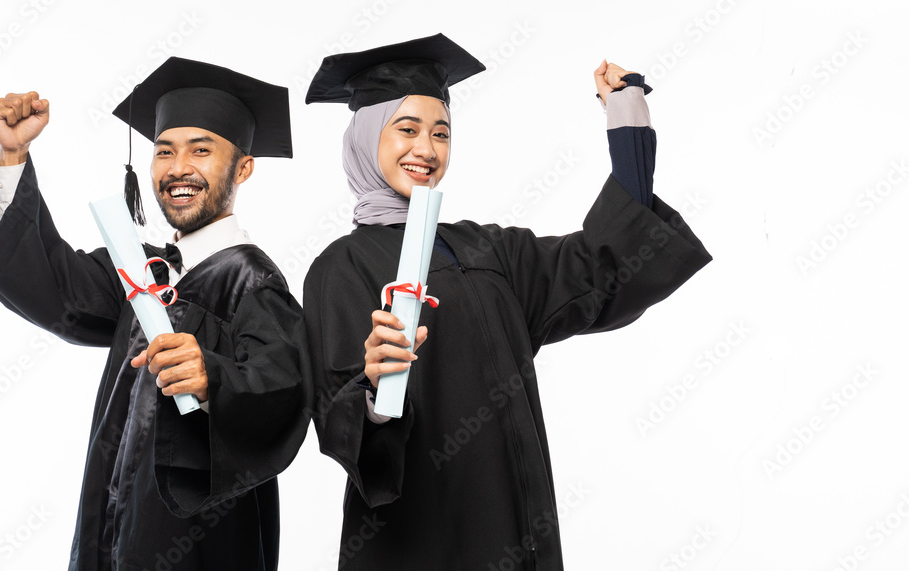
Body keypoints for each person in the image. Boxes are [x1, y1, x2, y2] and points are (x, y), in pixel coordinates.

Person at [302, 34, 712, 570]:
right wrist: (375, 392)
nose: (426, 149)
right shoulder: (340, 268)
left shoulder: (489, 248)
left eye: (441, 132)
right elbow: (336, 417)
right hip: (417, 543)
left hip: (520, 530)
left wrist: (627, 121)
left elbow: (603, 265)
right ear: (364, 137)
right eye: (406, 129)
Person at [0, 57, 311, 571]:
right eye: (164, 151)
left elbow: (286, 391)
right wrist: (13, 155)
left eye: (201, 150)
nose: (178, 168)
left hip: (199, 549)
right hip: (111, 529)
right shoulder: (142, 271)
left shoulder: (252, 282)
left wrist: (216, 379)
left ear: (243, 168)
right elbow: (54, 288)